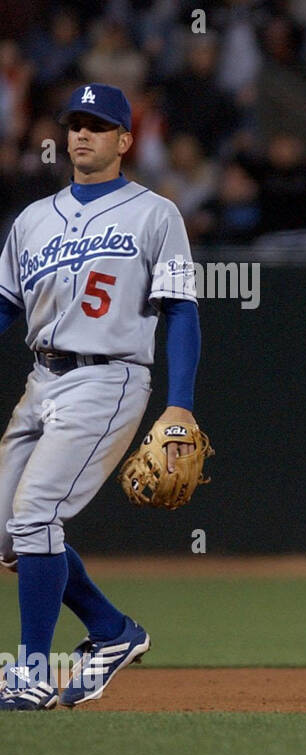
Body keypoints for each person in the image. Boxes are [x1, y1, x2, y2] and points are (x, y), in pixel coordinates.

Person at [0, 83, 202, 710]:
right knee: (9, 534)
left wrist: (180, 403)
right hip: (42, 380)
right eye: (75, 124)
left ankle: (31, 670)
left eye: (97, 125)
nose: (82, 134)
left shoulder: (155, 213)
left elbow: (183, 312)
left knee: (35, 516)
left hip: (109, 377)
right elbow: (4, 308)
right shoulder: (31, 221)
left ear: (124, 140)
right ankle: (113, 631)